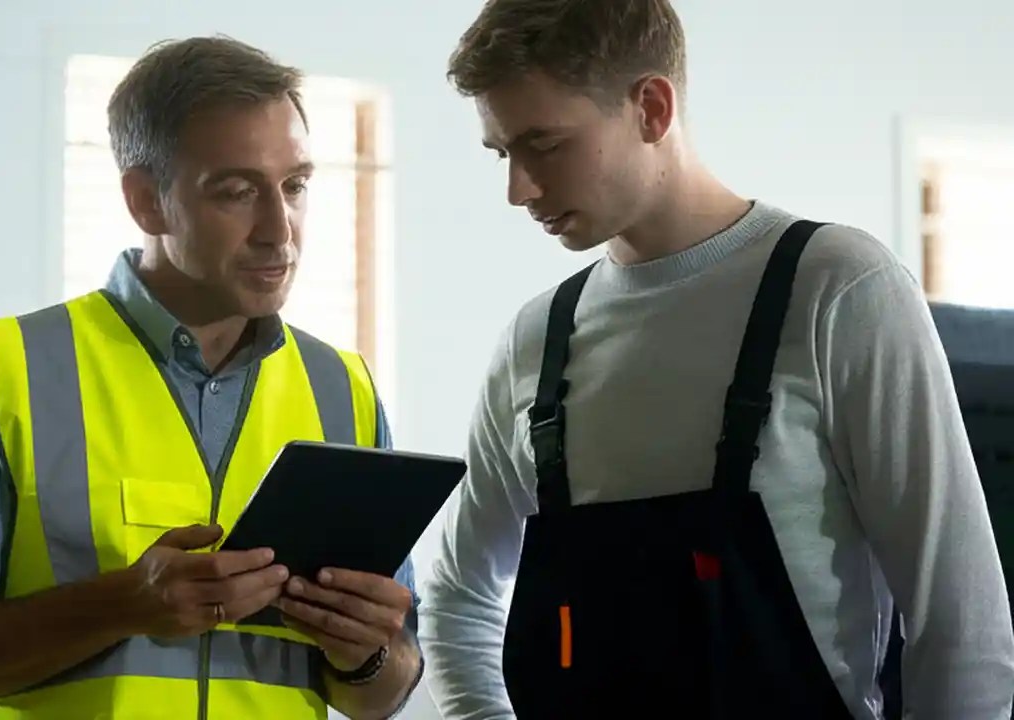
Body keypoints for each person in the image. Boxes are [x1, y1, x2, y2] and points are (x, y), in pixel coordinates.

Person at [418, 1, 1014, 718]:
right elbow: (457, 597)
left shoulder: (835, 288)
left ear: (651, 107)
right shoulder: (536, 338)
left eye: (544, 145)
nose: (518, 190)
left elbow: (963, 625)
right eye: (502, 152)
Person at [0, 36, 423, 720]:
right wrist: (123, 605)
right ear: (146, 201)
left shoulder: (345, 391)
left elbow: (381, 693)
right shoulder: (7, 371)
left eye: (295, 186)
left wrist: (370, 653)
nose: (282, 231)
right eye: (238, 192)